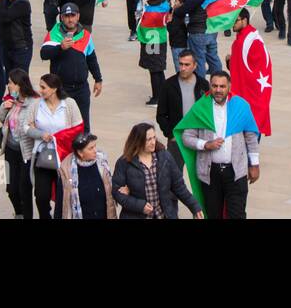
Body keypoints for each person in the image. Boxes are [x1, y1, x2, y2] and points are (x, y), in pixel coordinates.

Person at [179, 70, 261, 219]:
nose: (218, 90)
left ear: (229, 86)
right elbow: (186, 137)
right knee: (213, 214)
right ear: (210, 86)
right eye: (215, 86)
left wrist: (254, 164)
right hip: (210, 174)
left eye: (222, 86)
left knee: (237, 214)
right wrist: (205, 144)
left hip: (236, 172)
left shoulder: (241, 106)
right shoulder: (200, 107)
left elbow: (251, 137)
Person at [110, 121, 203, 219]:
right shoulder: (124, 162)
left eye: (154, 137)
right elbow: (117, 193)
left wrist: (195, 207)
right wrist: (139, 206)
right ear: (138, 141)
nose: (153, 142)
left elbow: (179, 186)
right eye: (148, 139)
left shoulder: (165, 157)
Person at [24, 72, 84, 219]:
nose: (40, 90)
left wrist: (58, 138)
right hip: (43, 156)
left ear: (54, 88)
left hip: (64, 157)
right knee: (41, 195)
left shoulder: (69, 104)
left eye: (43, 87)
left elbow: (79, 128)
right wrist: (40, 134)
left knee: (63, 194)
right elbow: (26, 127)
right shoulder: (36, 104)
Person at [40, 3, 103, 130]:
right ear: (62, 18)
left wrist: (98, 79)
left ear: (78, 16)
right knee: (63, 125)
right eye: (67, 16)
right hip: (61, 89)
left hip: (81, 89)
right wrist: (60, 48)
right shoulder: (54, 34)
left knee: (83, 125)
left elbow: (91, 59)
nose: (70, 19)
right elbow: (44, 54)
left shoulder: (85, 35)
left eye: (73, 15)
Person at [174, 0, 222, 82]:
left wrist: (176, 10)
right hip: (212, 28)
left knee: (199, 61)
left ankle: (201, 88)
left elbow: (186, 8)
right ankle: (219, 82)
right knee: (213, 57)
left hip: (198, 30)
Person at [0, 69, 38, 219]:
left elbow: (30, 128)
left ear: (19, 85)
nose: (8, 85)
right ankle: (19, 213)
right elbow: (3, 120)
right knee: (10, 188)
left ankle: (26, 215)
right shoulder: (10, 100)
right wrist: (4, 107)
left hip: (25, 153)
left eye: (10, 83)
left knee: (24, 188)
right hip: (10, 150)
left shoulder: (33, 102)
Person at [156, 51, 207, 145]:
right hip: (176, 140)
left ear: (195, 65)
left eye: (187, 65)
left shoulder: (203, 85)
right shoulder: (168, 85)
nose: (183, 68)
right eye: (181, 64)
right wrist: (171, 135)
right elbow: (161, 115)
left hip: (199, 140)